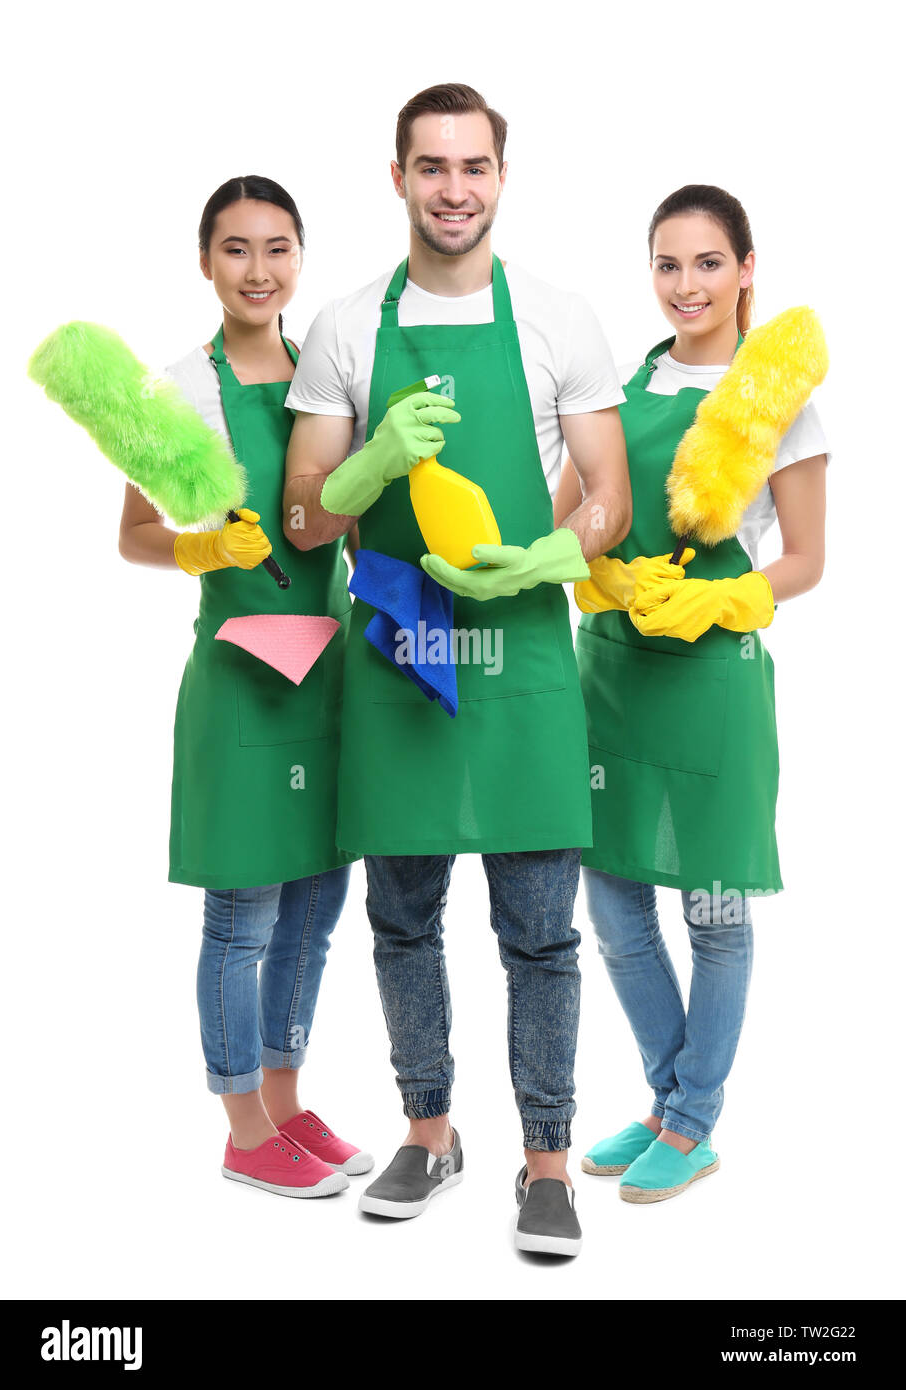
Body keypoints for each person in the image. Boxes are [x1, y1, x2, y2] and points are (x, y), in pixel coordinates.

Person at [283, 84, 630, 1256]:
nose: (453, 189)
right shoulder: (341, 327)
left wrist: (549, 551)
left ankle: (547, 1160)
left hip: (522, 652)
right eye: (431, 167)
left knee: (540, 929)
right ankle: (430, 1132)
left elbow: (610, 499)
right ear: (397, 178)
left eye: (472, 166)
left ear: (500, 175)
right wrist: (367, 464)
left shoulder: (556, 317)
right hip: (402, 653)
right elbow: (300, 518)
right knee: (403, 917)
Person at [553, 184, 829, 1204]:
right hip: (613, 680)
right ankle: (673, 1103)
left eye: (709, 263)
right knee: (616, 907)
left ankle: (693, 1116)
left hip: (713, 683)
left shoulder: (775, 404)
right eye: (667, 265)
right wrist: (598, 573)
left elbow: (806, 559)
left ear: (746, 268)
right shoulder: (620, 389)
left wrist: (718, 606)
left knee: (712, 910)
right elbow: (571, 517)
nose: (687, 286)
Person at [118, 175, 372, 1198]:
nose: (258, 271)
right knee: (243, 915)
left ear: (300, 257)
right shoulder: (177, 391)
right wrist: (200, 546)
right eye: (236, 249)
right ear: (204, 261)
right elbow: (132, 533)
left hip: (332, 670)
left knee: (317, 902)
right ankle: (237, 1123)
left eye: (277, 248)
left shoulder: (333, 376)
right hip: (238, 678)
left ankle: (284, 1095)